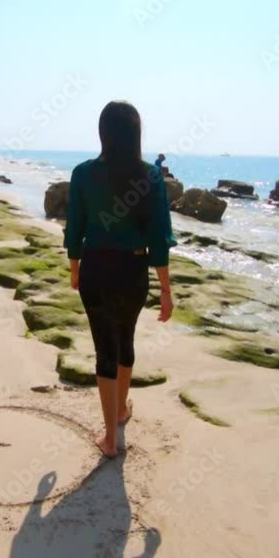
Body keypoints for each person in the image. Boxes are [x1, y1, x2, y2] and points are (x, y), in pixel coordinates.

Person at [64, 101, 177, 458]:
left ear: (103, 133)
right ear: (136, 134)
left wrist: (74, 270)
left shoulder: (83, 174)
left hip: (96, 268)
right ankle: (118, 415)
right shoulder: (151, 176)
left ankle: (111, 438)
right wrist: (166, 289)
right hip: (134, 269)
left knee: (105, 350)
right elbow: (160, 238)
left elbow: (74, 229)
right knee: (125, 340)